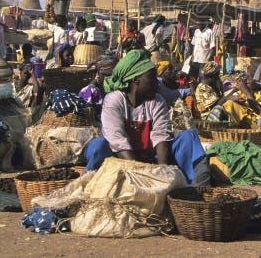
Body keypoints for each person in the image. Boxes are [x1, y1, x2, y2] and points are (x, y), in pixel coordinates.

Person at [82, 50, 209, 184]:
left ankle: (196, 187)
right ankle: (92, 184)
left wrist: (161, 173)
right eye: (152, 78)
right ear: (136, 80)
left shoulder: (157, 101)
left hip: (151, 162)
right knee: (97, 145)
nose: (157, 83)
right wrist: (140, 173)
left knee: (189, 137)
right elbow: (117, 140)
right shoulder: (114, 100)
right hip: (121, 162)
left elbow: (161, 136)